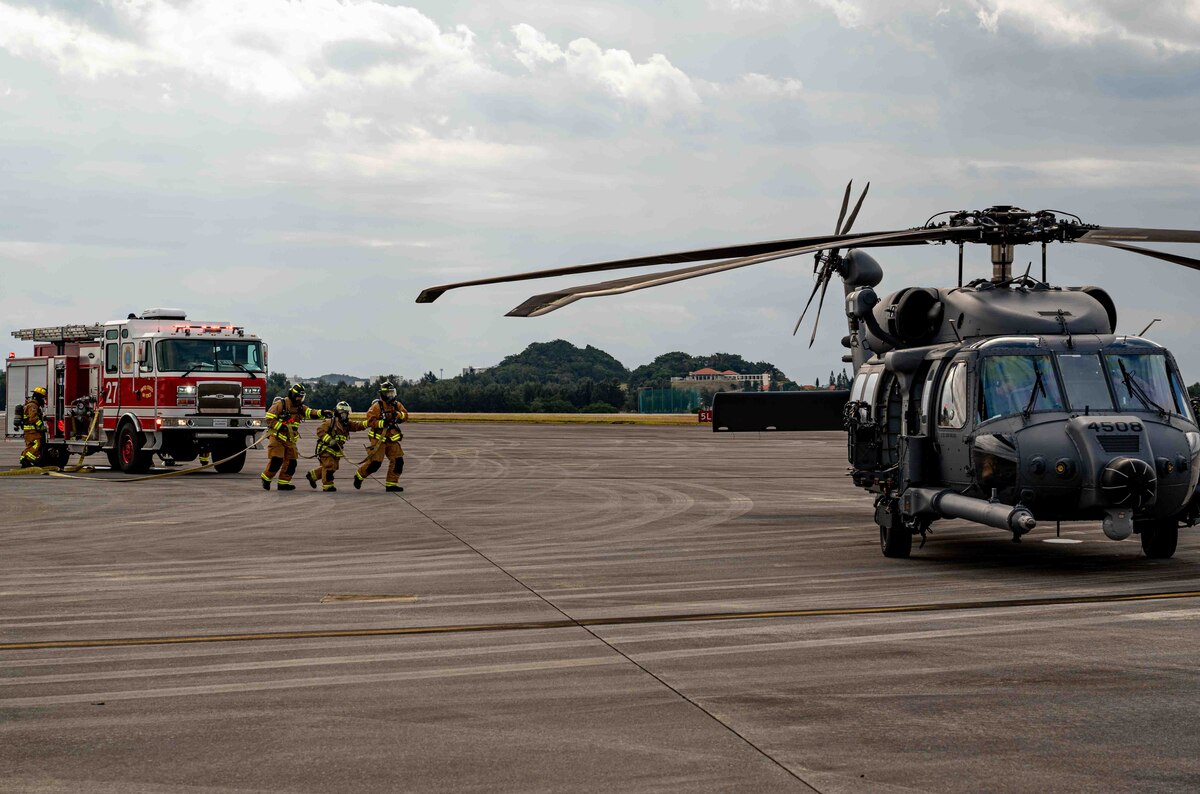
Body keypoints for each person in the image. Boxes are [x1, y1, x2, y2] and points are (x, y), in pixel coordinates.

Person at [261, 383, 328, 491]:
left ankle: (283, 483)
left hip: (290, 440)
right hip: (277, 437)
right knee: (276, 460)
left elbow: (310, 412)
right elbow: (269, 418)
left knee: (292, 462)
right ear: (292, 394)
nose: (299, 399)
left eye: (301, 397)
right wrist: (280, 426)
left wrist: (323, 412)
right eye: (298, 396)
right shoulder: (281, 404)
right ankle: (266, 478)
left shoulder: (300, 407)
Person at [354, 381, 409, 492]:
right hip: (378, 438)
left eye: (392, 393)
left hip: (391, 438)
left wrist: (398, 415)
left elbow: (405, 415)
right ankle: (359, 475)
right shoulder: (376, 407)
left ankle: (391, 484)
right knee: (375, 463)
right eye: (389, 393)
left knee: (398, 461)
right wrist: (381, 423)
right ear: (383, 394)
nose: (391, 396)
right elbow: (370, 421)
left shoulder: (396, 405)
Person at [305, 401, 366, 492]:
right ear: (338, 412)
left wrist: (368, 423)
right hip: (325, 448)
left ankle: (312, 475)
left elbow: (357, 426)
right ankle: (328, 486)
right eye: (343, 413)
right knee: (329, 466)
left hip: (336, 450)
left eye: (346, 413)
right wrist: (330, 440)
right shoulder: (330, 422)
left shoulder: (346, 424)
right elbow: (320, 431)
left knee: (333, 467)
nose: (345, 415)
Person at [19, 387, 47, 468]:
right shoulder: (33, 405)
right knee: (37, 444)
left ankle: (24, 460)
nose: (43, 400)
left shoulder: (31, 404)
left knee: (30, 446)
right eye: (42, 397)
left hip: (30, 431)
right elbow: (33, 418)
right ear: (39, 397)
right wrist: (41, 426)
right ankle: (28, 459)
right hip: (32, 431)